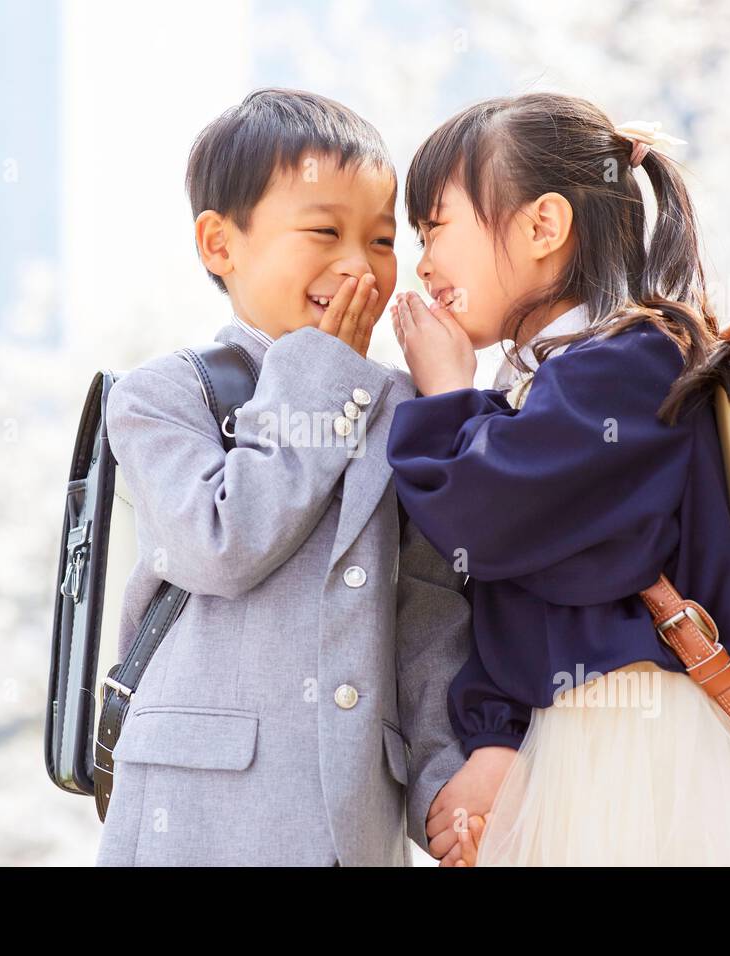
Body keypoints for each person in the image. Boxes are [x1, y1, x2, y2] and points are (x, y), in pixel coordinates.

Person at [385, 92, 730, 866]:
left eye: (436, 227)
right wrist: (493, 741)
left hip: (641, 753)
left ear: (543, 227)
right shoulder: (560, 384)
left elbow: (483, 519)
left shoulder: (631, 361)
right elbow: (521, 603)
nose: (421, 262)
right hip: (582, 749)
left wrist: (446, 395)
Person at [95, 88, 476, 866]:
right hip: (197, 815)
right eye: (324, 232)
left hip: (351, 822)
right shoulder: (165, 394)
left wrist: (443, 783)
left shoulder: (400, 404)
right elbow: (220, 545)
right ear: (219, 243)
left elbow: (428, 614)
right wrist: (321, 380)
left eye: (378, 239)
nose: (357, 263)